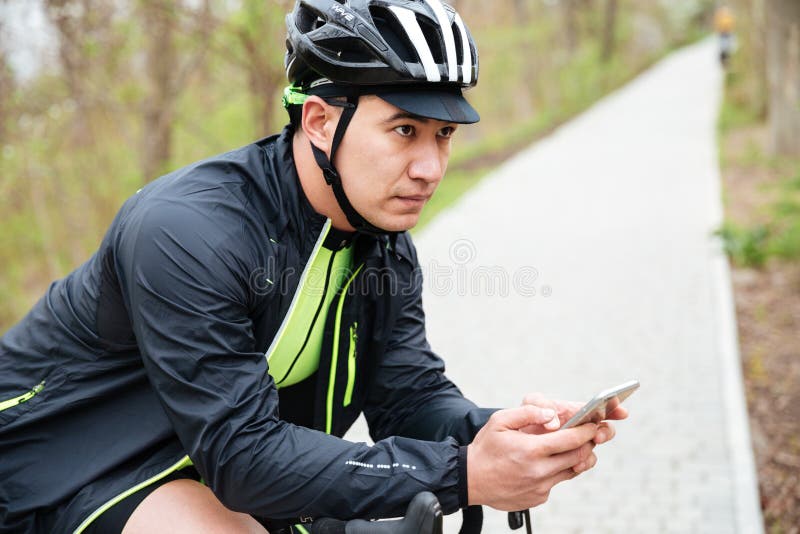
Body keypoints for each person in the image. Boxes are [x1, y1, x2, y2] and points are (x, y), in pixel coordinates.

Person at [0, 1, 626, 533]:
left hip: (208, 459)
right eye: (404, 130)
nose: (431, 168)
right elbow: (243, 457)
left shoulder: (380, 240)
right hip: (59, 459)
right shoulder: (190, 230)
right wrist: (465, 474)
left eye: (443, 135)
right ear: (321, 121)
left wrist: (504, 435)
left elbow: (407, 398)